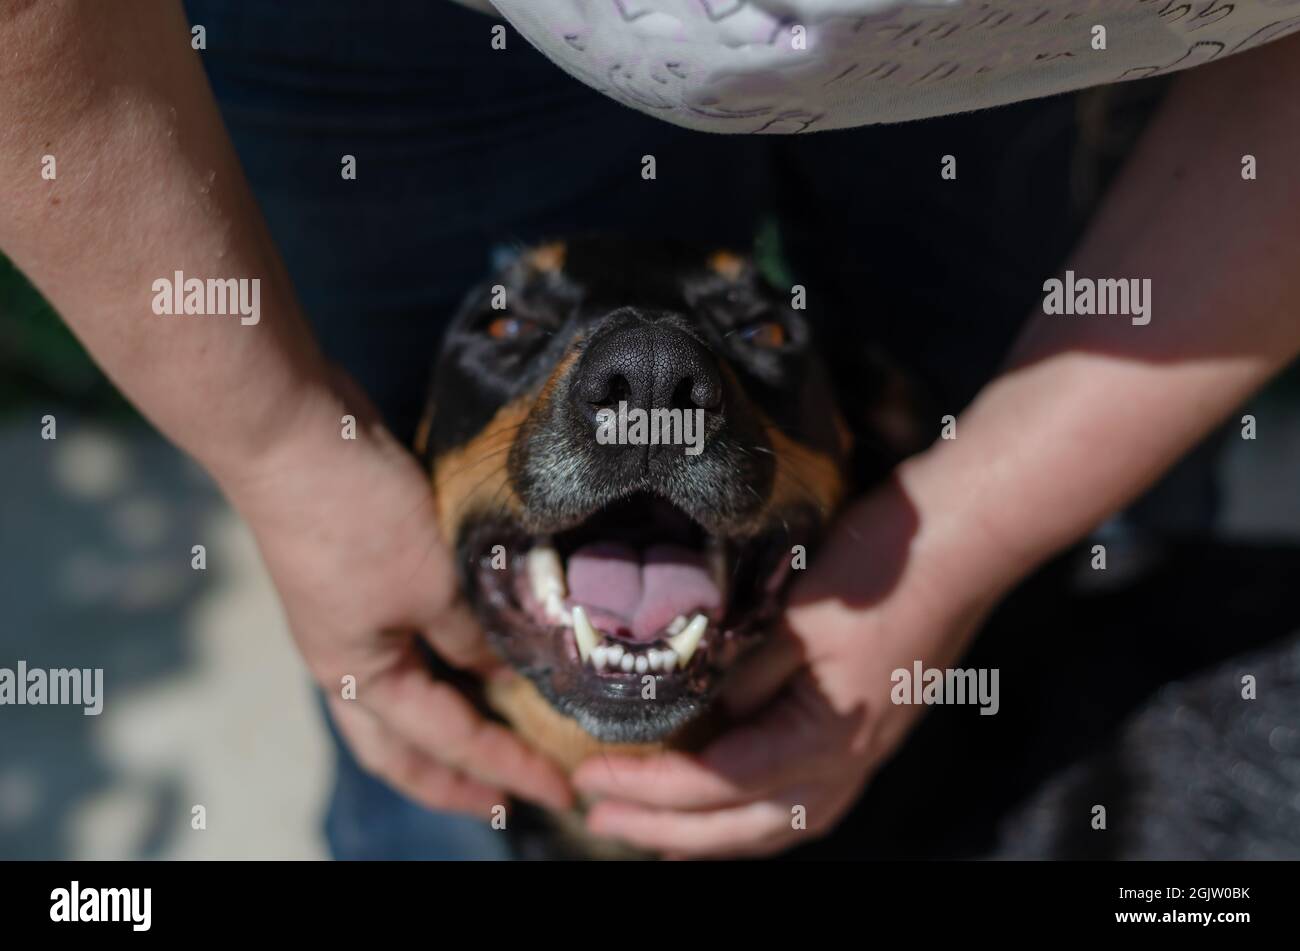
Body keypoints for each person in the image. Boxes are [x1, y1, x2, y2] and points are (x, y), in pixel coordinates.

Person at [2, 0, 1298, 859]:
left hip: (1054, 29)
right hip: (415, 29)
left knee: (1072, 578)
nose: (650, 383)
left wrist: (969, 537)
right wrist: (286, 458)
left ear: (875, 431)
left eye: (759, 340)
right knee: (423, 783)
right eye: (509, 332)